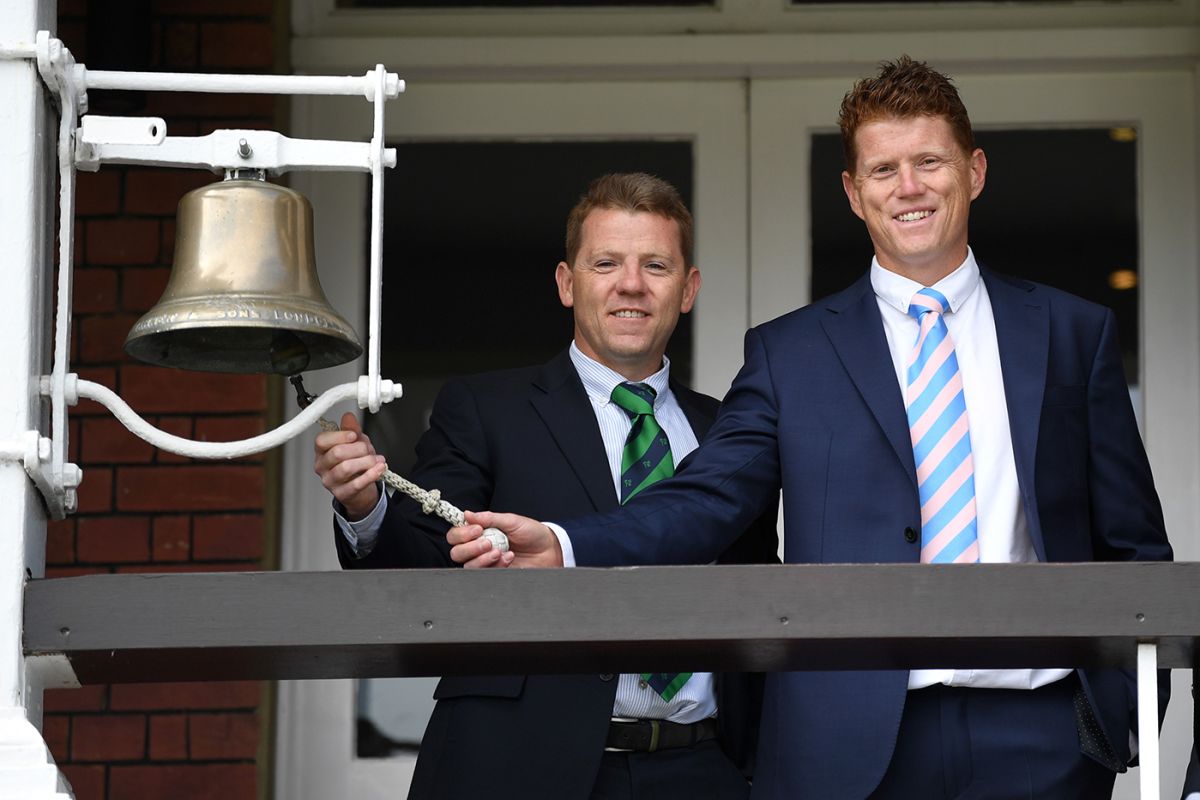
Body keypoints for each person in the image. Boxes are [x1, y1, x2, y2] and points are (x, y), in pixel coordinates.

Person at [450, 57, 1173, 799]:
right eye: (884, 169)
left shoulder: (1069, 333)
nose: (910, 187)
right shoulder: (791, 353)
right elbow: (705, 501)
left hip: (1044, 731)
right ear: (855, 194)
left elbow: (1134, 542)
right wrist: (570, 544)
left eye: (929, 161)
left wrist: (1120, 712)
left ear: (975, 171)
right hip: (852, 744)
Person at [314, 172, 778, 800]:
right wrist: (366, 505)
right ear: (567, 283)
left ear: (688, 289)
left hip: (702, 768)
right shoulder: (486, 408)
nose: (631, 285)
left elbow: (759, 593)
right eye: (606, 262)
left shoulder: (730, 430)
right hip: (514, 763)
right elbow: (423, 558)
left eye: (656, 265)